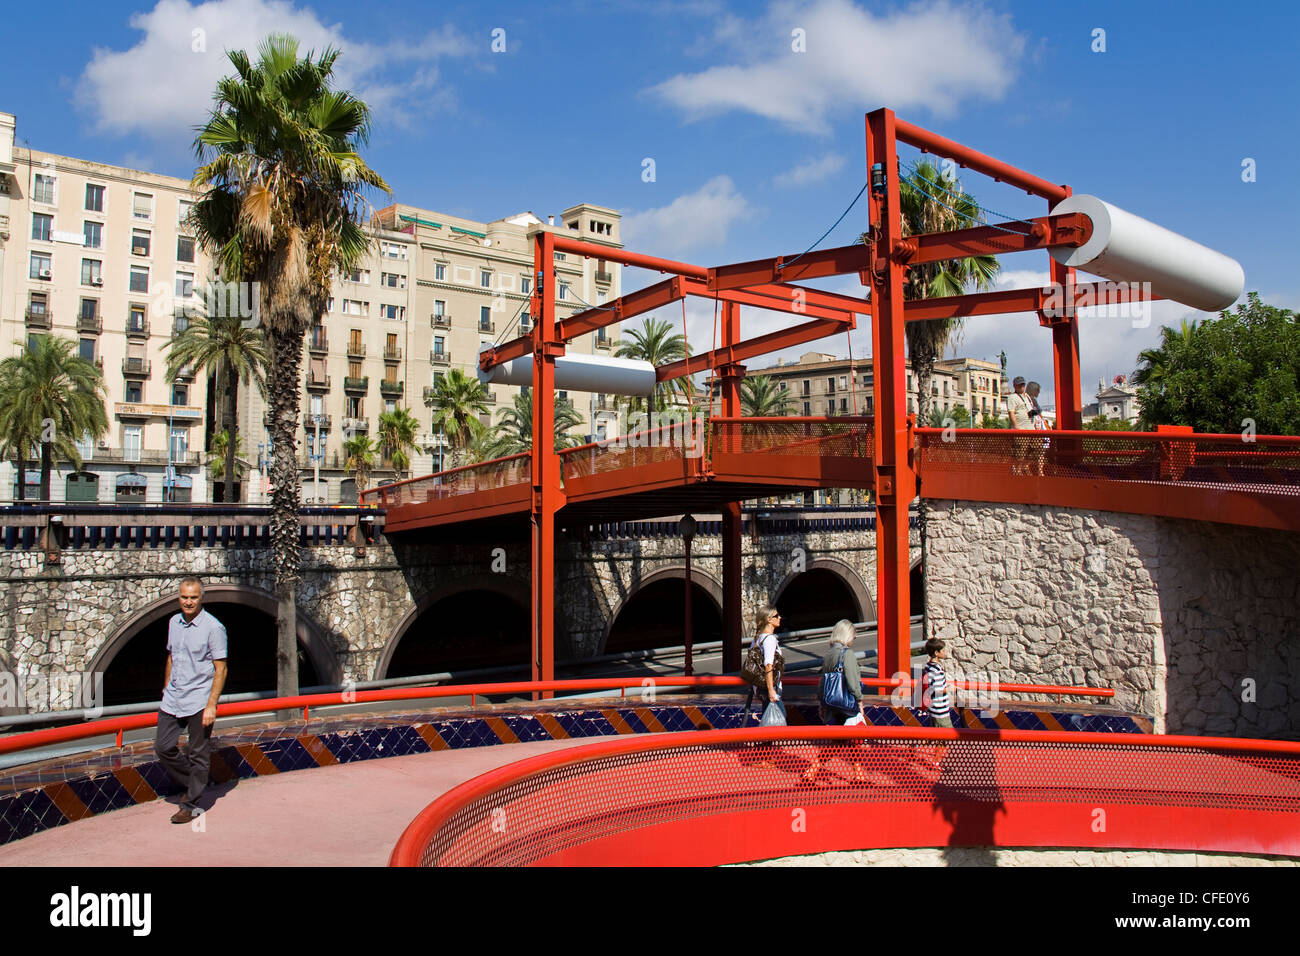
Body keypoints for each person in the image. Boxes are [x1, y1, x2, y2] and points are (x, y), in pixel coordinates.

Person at [154, 576, 228, 824]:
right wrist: (166, 688)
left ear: (201, 598)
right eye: (184, 597)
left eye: (193, 597)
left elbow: (221, 669)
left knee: (198, 753)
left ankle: (190, 803)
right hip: (174, 697)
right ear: (179, 597)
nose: (188, 602)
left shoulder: (214, 627)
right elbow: (171, 657)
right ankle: (197, 780)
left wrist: (211, 705)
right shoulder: (173, 622)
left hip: (199, 700)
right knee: (163, 747)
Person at [802, 619, 866, 784]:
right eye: (853, 636)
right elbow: (852, 681)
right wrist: (859, 700)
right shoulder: (847, 654)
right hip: (847, 704)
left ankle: (813, 770)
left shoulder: (829, 654)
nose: (853, 640)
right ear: (847, 635)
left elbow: (822, 681)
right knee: (855, 738)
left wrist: (821, 703)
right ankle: (858, 774)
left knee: (839, 740)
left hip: (832, 702)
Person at [744, 605, 784, 725]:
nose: (780, 617)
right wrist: (771, 690)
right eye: (776, 616)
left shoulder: (757, 639)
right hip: (769, 688)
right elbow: (768, 664)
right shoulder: (770, 639)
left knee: (771, 722)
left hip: (759, 687)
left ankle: (767, 742)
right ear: (769, 620)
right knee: (779, 720)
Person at [1006, 376, 1035, 476]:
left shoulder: (1027, 397)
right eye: (1019, 385)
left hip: (1031, 429)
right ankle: (1017, 471)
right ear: (1014, 386)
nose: (1021, 387)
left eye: (1023, 384)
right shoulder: (1012, 397)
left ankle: (1024, 467)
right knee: (1020, 452)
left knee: (1036, 450)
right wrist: (1016, 427)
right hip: (1021, 430)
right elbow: (1011, 412)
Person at [1025, 381, 1051, 476]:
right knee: (1034, 450)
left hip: (1039, 427)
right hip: (1033, 427)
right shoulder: (1028, 400)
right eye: (1038, 390)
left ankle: (1039, 470)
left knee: (1040, 450)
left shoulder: (1034, 400)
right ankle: (1028, 468)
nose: (1039, 393)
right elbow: (1030, 413)